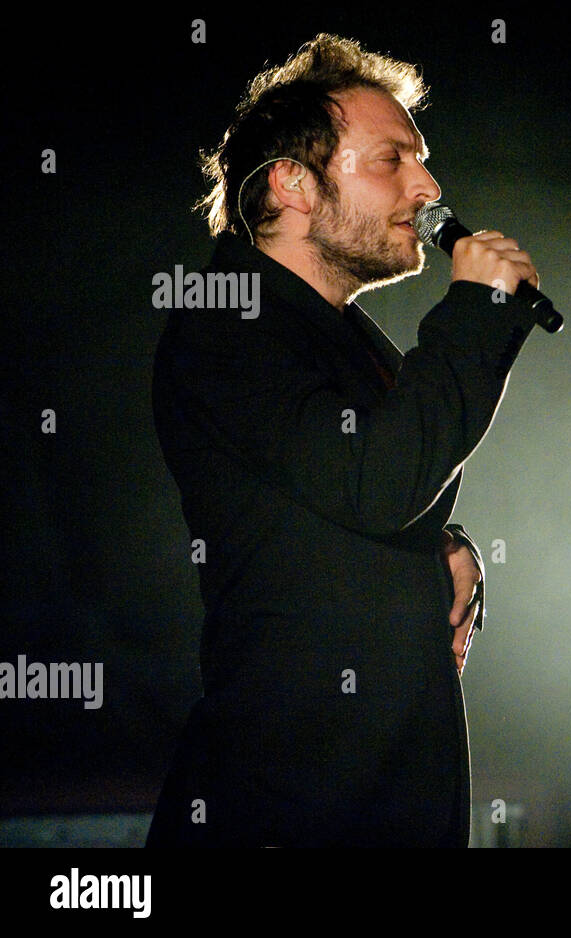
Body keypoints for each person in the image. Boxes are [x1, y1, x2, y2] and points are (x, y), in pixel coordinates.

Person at [147, 33, 540, 846]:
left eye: (423, 160)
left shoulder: (347, 340)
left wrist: (443, 543)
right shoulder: (228, 314)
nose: (428, 186)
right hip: (286, 808)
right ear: (293, 183)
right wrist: (479, 313)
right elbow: (376, 480)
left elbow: (349, 499)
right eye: (392, 158)